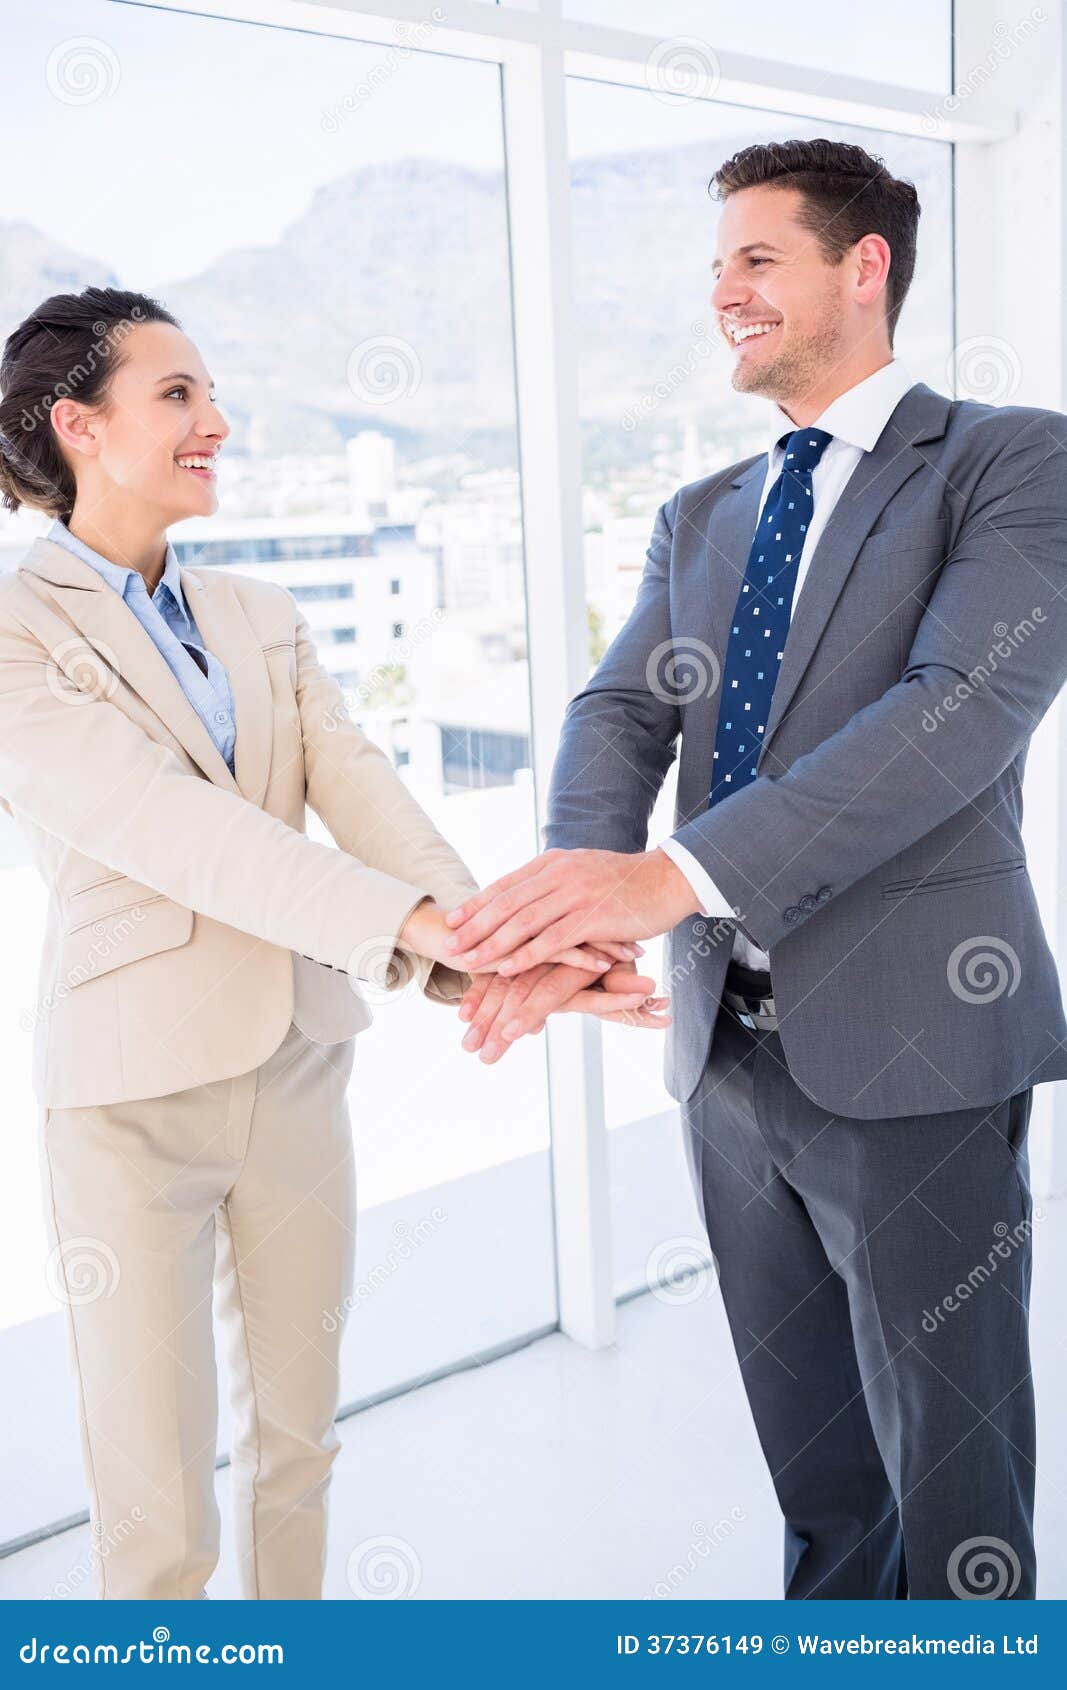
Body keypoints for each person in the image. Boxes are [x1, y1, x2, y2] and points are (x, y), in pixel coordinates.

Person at [445, 138, 1067, 1599]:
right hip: (725, 1059)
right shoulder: (706, 511)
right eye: (715, 263)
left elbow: (953, 717)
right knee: (818, 1472)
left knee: (953, 1478)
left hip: (918, 1055)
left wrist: (670, 880)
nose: (721, 290)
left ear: (866, 269)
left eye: (756, 258)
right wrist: (573, 901)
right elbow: (621, 709)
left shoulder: (1011, 460)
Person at [0, 286, 667, 1600]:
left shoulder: (262, 614)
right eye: (179, 395)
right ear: (76, 424)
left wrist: (501, 944)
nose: (219, 422)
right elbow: (178, 829)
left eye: (212, 392)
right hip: (131, 1098)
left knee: (299, 1446)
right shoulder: (15, 627)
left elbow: (373, 802)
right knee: (156, 1488)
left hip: (301, 1068)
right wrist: (429, 937)